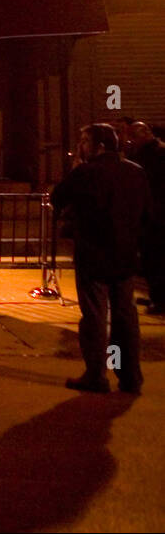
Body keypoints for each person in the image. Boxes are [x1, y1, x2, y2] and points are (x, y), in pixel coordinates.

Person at [51, 124, 152, 394]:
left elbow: (57, 197)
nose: (81, 146)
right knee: (125, 316)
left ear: (99, 146)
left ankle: (96, 374)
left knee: (95, 316)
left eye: (85, 141)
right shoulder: (136, 172)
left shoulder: (85, 172)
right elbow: (146, 214)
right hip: (125, 254)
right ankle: (130, 376)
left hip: (94, 254)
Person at [124, 123, 165, 315]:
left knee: (155, 257)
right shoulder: (154, 152)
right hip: (154, 213)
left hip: (155, 215)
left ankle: (160, 299)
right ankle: (156, 296)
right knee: (153, 258)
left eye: (134, 136)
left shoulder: (151, 155)